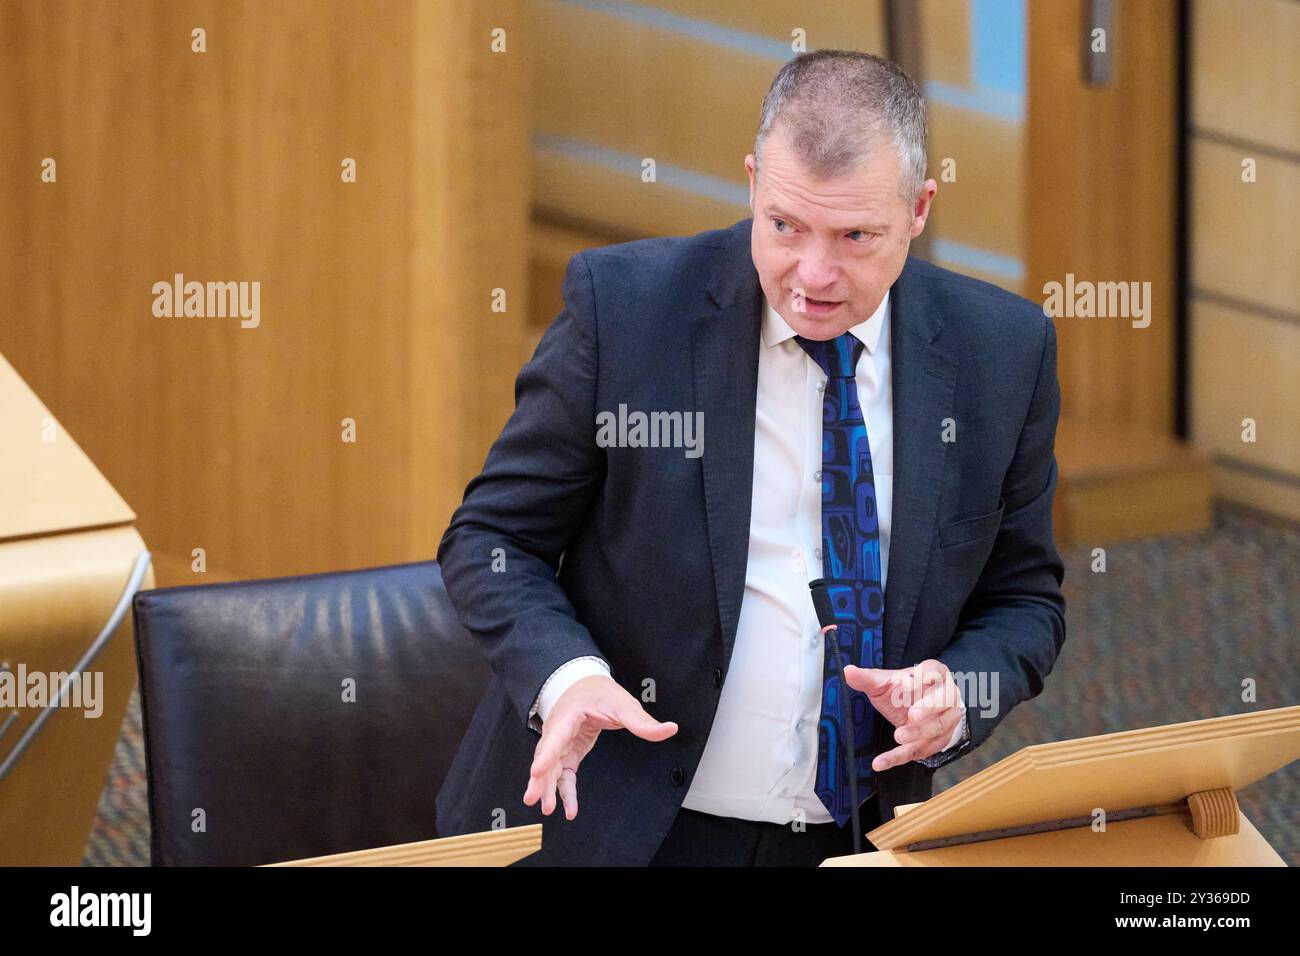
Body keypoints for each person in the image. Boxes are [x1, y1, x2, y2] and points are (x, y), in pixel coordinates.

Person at [434, 49, 1066, 866]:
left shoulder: (1002, 354)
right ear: (752, 182)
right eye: (785, 226)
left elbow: (1025, 601)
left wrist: (960, 692)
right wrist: (567, 677)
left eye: (854, 236)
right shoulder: (626, 313)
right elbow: (491, 539)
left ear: (919, 208)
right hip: (609, 823)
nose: (813, 275)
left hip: (853, 836)